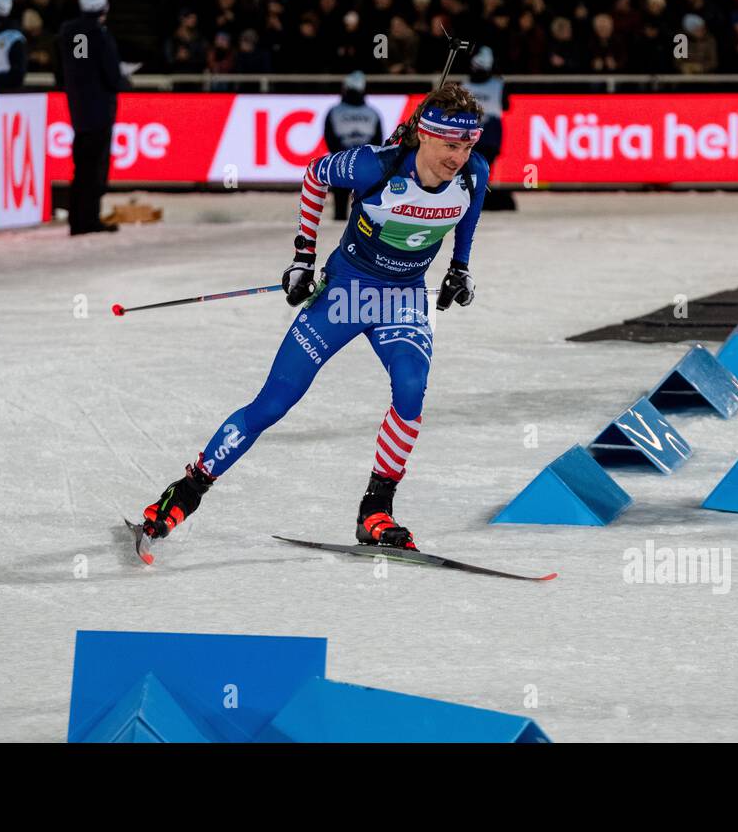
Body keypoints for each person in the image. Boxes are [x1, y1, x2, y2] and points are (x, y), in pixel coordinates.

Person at [131, 84, 489, 564]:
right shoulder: (375, 166)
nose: (459, 157)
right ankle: (183, 494)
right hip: (345, 294)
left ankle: (375, 512)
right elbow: (315, 175)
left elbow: (468, 219)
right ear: (424, 135)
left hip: (402, 298)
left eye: (467, 146)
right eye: (450, 144)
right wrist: (303, 256)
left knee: (411, 386)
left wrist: (459, 268)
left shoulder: (474, 174)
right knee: (274, 402)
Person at [56, 0, 122, 236]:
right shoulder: (96, 35)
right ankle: (88, 219)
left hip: (79, 108)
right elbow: (110, 75)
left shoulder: (71, 33)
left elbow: (77, 65)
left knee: (81, 166)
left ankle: (78, 218)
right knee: (93, 168)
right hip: (98, 110)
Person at [322, 70, 383, 220]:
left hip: (341, 160)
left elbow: (329, 137)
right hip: (365, 163)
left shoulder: (335, 111)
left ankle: (340, 217)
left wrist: (339, 157)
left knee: (340, 208)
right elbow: (378, 141)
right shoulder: (372, 112)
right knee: (366, 209)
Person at [464, 46, 514, 210]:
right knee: (482, 167)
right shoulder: (497, 84)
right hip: (483, 132)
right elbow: (506, 105)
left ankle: (476, 196)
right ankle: (477, 195)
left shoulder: (467, 84)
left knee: (477, 167)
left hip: (482, 132)